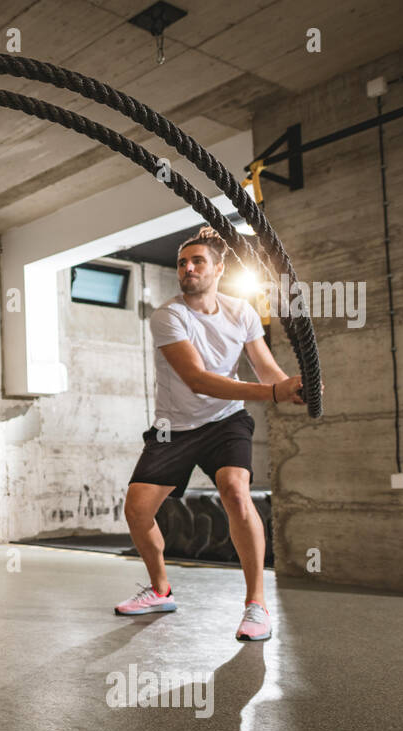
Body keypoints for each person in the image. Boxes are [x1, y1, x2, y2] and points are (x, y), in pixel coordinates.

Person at [113, 226, 320, 641]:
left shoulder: (241, 311)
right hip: (175, 426)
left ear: (219, 269)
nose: (188, 268)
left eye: (197, 261)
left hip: (227, 421)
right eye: (182, 263)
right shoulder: (168, 316)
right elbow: (198, 380)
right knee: (137, 510)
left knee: (235, 492)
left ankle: (256, 605)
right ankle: (160, 590)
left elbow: (264, 367)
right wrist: (273, 392)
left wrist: (289, 386)